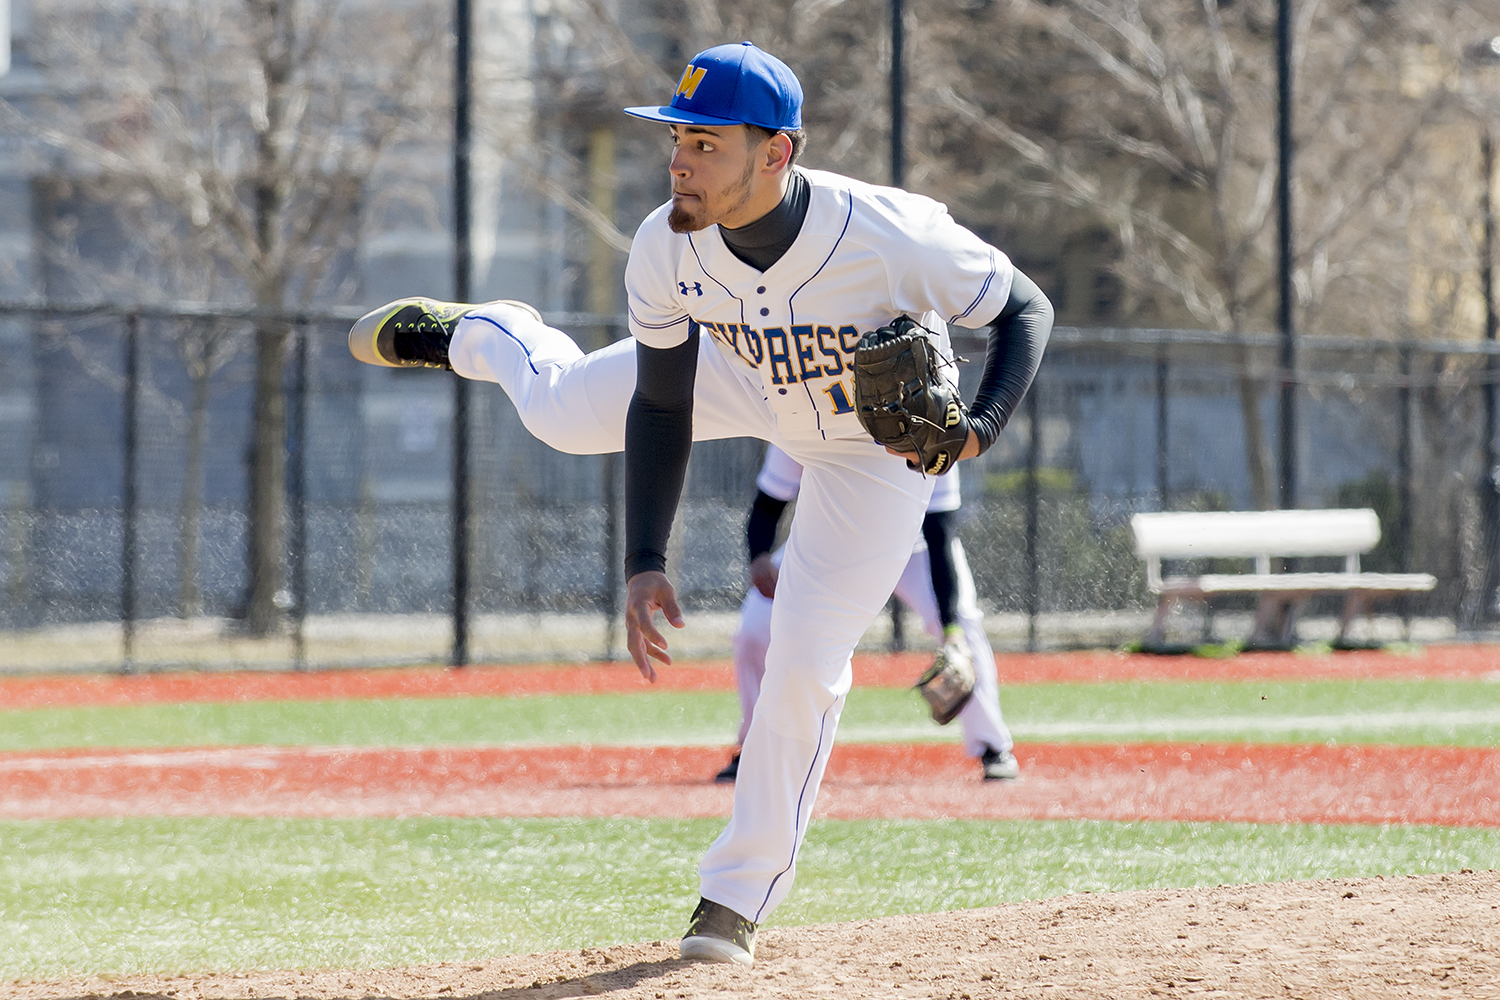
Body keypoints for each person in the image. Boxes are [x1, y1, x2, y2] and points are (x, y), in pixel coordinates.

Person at [348, 41, 1051, 967]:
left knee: (805, 657)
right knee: (561, 413)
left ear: (777, 154)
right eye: (676, 136)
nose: (679, 159)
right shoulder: (664, 244)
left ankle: (733, 897)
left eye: (706, 142)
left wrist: (978, 430)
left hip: (869, 451)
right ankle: (482, 332)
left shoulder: (893, 234)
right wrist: (646, 558)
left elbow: (1026, 309)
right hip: (740, 372)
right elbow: (662, 401)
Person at [718, 444, 1018, 785]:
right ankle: (755, 748)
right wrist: (758, 557)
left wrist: (950, 629)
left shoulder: (932, 424)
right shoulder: (806, 409)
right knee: (755, 627)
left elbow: (940, 531)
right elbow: (770, 502)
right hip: (832, 544)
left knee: (963, 624)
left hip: (914, 547)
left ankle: (993, 747)